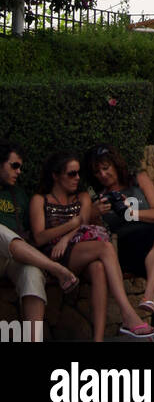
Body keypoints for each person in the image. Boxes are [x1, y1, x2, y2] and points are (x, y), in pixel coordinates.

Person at [29, 151, 154, 341]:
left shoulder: (83, 197)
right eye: (71, 174)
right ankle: (128, 314)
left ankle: (98, 339)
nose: (77, 178)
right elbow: (39, 238)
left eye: (78, 173)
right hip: (53, 256)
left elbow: (84, 223)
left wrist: (67, 235)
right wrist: (68, 227)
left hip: (77, 251)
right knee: (105, 248)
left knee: (98, 268)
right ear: (55, 175)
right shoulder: (40, 200)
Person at [86, 143, 154, 343]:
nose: (103, 175)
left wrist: (131, 213)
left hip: (153, 239)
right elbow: (95, 231)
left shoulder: (138, 179)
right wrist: (96, 212)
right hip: (127, 248)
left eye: (106, 168)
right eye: (98, 172)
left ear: (115, 165)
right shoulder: (99, 196)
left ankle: (150, 298)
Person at [0, 141, 79, 341]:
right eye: (14, 166)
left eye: (20, 167)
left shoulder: (18, 194)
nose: (19, 172)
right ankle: (54, 268)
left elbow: (32, 232)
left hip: (13, 256)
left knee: (32, 272)